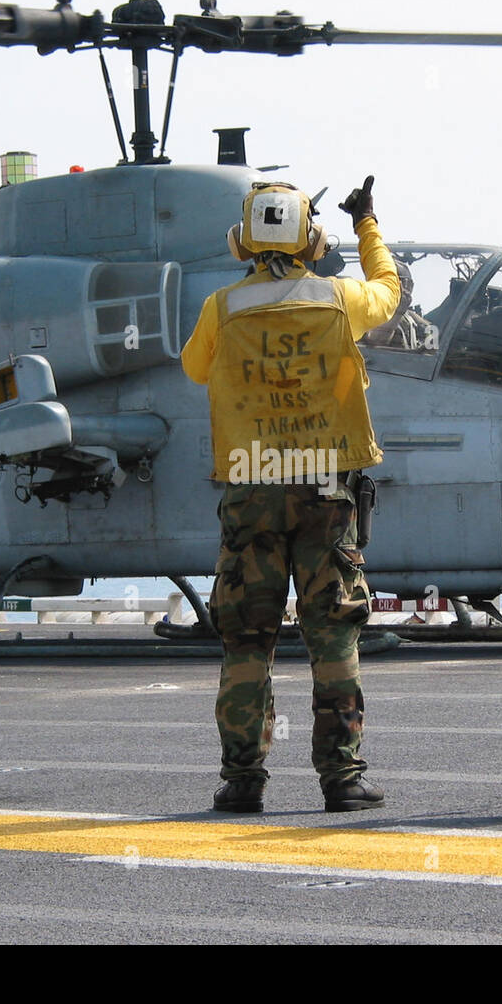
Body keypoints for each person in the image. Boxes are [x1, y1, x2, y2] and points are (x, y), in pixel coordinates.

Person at [181, 177, 400, 813]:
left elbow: (195, 368)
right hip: (325, 488)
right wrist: (367, 225)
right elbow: (389, 292)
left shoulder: (222, 307)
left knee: (247, 639)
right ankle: (342, 779)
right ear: (313, 239)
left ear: (241, 241)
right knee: (332, 633)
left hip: (251, 486)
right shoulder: (338, 298)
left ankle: (243, 781)